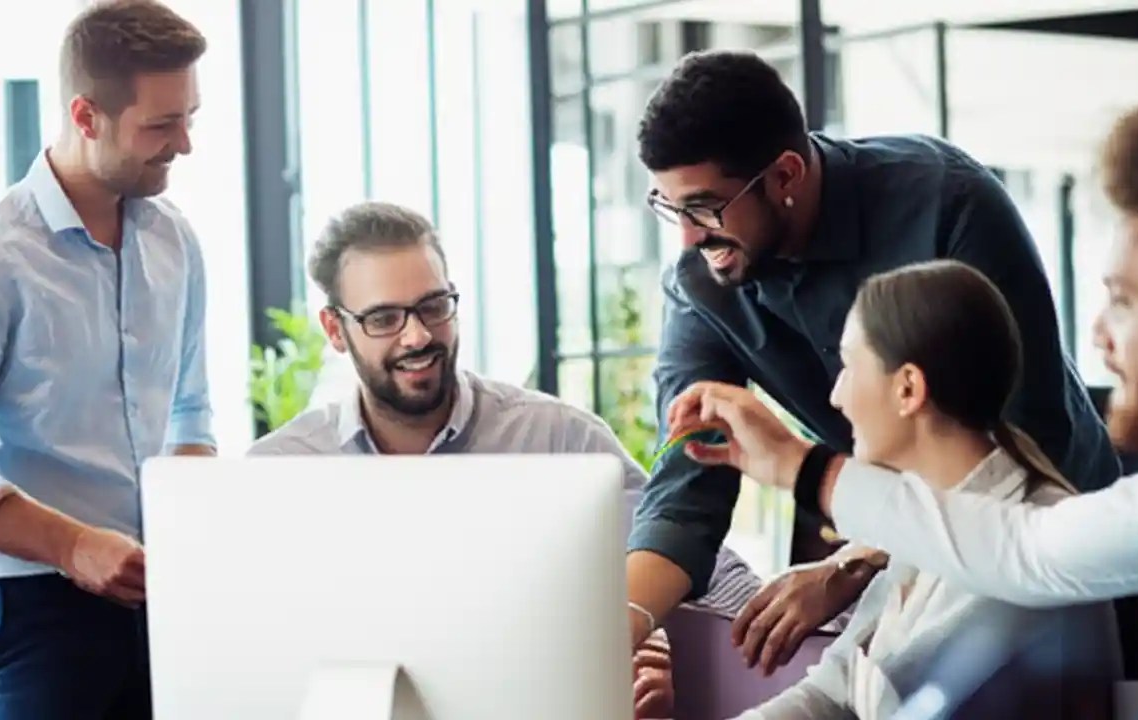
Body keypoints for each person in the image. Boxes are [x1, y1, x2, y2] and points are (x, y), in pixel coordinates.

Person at [668, 84, 1138, 720]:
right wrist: (801, 470)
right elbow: (1024, 550)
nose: (1098, 334)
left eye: (1125, 300)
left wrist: (803, 469)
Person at [625, 49, 1119, 660]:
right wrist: (612, 629)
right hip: (903, 558)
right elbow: (686, 487)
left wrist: (854, 562)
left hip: (1064, 544)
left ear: (784, 176)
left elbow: (1021, 444)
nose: (687, 237)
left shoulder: (947, 203)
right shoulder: (701, 281)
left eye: (703, 207)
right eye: (669, 208)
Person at [248, 201, 764, 719]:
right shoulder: (277, 474)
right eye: (384, 318)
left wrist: (680, 657)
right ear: (336, 330)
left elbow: (720, 577)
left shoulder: (558, 440)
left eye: (433, 306)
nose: (418, 336)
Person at [674, 259, 1119, 718]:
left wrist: (795, 464)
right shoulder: (911, 533)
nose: (836, 395)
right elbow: (833, 691)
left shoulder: (1029, 561)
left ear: (908, 388)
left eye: (848, 366)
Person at [0, 2, 213, 717]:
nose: (184, 144)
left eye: (190, 116)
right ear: (86, 115)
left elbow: (190, 411)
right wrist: (74, 547)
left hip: (163, 594)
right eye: (162, 125)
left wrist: (189, 522)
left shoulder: (178, 243)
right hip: (27, 608)